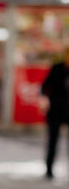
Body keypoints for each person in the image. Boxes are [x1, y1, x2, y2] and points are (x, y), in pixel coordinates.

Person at [41, 47, 69, 179]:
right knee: (52, 140)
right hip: (56, 110)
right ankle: (49, 169)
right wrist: (44, 99)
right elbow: (44, 86)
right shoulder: (57, 68)